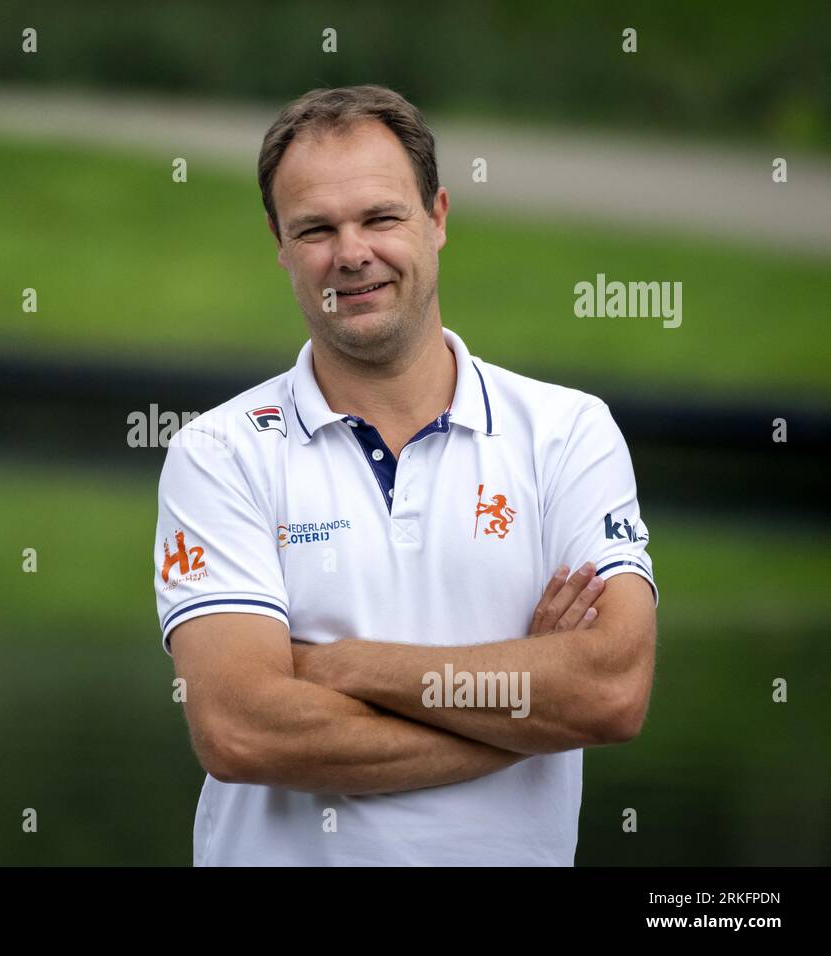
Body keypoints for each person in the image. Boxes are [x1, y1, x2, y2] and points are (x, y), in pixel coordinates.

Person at [152, 85, 658, 866]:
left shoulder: (567, 433)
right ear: (279, 244)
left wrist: (341, 666)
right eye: (315, 228)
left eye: (380, 218)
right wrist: (523, 713)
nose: (350, 253)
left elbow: (610, 692)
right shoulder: (218, 453)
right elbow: (241, 730)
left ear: (438, 217)